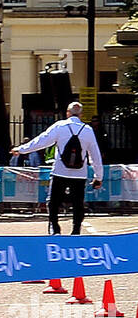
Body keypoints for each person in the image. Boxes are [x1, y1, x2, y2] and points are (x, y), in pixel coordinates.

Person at [11, 100, 103, 235]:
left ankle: (55, 228)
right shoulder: (88, 130)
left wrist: (21, 149)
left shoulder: (60, 126)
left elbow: (41, 141)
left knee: (53, 201)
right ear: (81, 115)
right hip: (79, 173)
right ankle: (76, 230)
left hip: (60, 171)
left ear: (67, 113)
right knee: (78, 202)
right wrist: (98, 177)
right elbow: (95, 155)